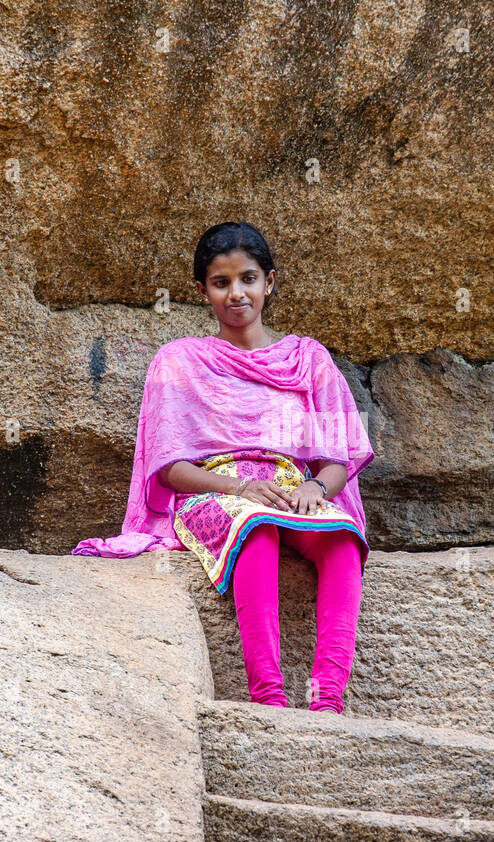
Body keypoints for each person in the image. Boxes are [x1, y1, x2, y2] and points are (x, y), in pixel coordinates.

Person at [72, 222, 375, 714]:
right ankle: (269, 699)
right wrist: (241, 487)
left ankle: (327, 701)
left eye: (248, 279)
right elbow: (169, 468)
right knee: (254, 530)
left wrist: (316, 488)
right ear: (203, 291)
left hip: (294, 489)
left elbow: (337, 458)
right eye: (221, 282)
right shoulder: (181, 360)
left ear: (269, 282)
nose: (236, 294)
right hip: (216, 491)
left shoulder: (309, 359)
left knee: (342, 536)